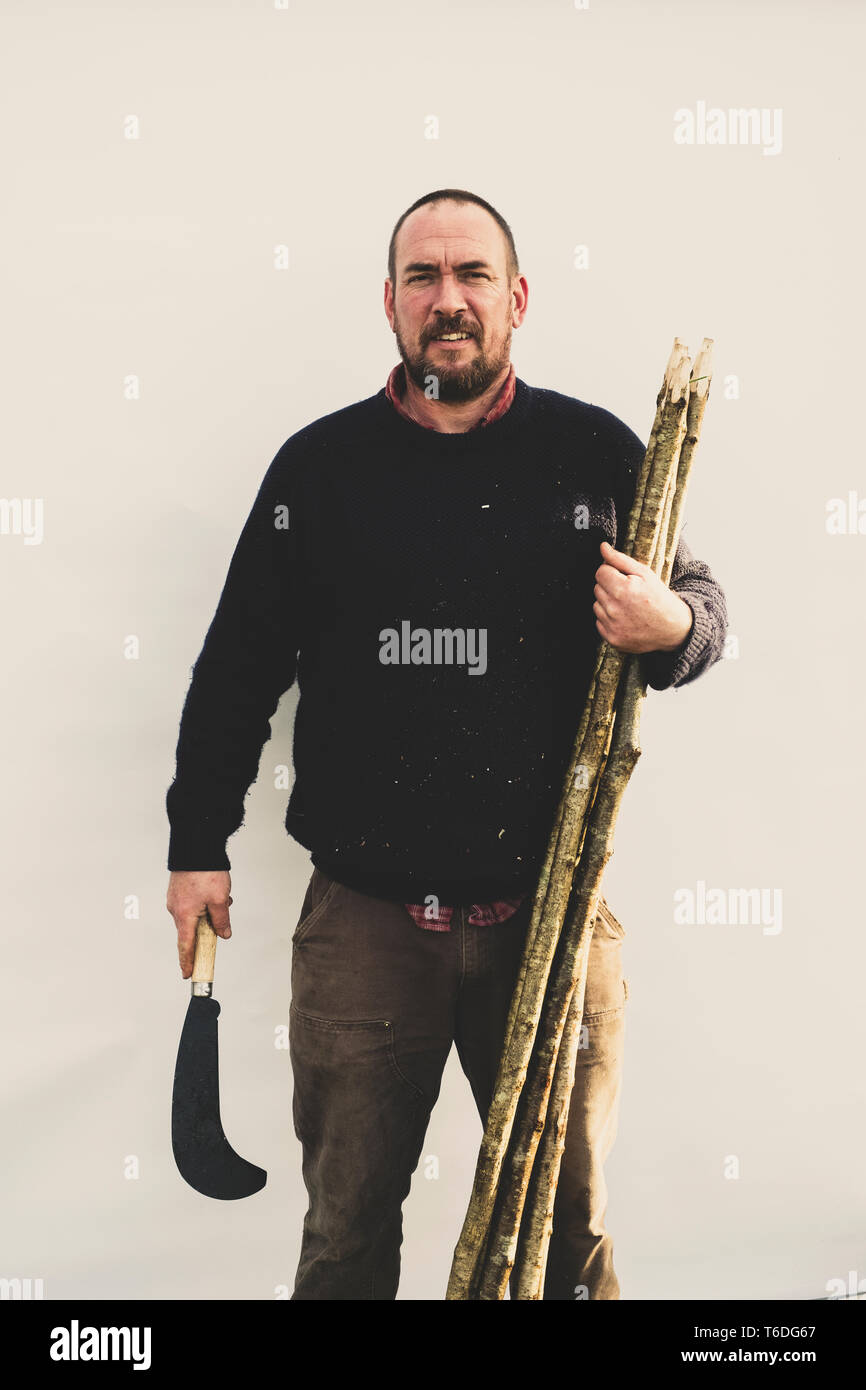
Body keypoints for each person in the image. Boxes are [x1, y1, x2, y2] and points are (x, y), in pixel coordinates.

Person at [165, 188, 728, 1300]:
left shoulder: (591, 452)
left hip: (553, 915)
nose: (448, 299)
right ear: (389, 305)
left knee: (564, 1239)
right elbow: (235, 671)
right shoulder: (317, 471)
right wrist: (197, 843)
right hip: (365, 929)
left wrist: (672, 628)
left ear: (514, 299)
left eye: (471, 275)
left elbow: (694, 598)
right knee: (345, 1238)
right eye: (421, 278)